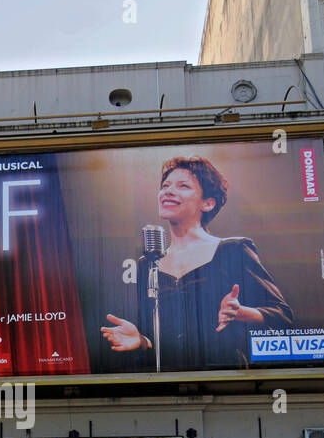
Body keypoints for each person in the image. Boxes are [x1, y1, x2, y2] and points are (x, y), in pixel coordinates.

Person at [100, 154, 292, 372]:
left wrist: (241, 313)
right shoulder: (148, 264)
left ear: (208, 203)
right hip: (168, 385)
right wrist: (142, 340)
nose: (168, 191)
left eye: (183, 186)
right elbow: (154, 338)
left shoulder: (234, 249)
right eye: (165, 186)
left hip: (225, 381)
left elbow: (282, 315)